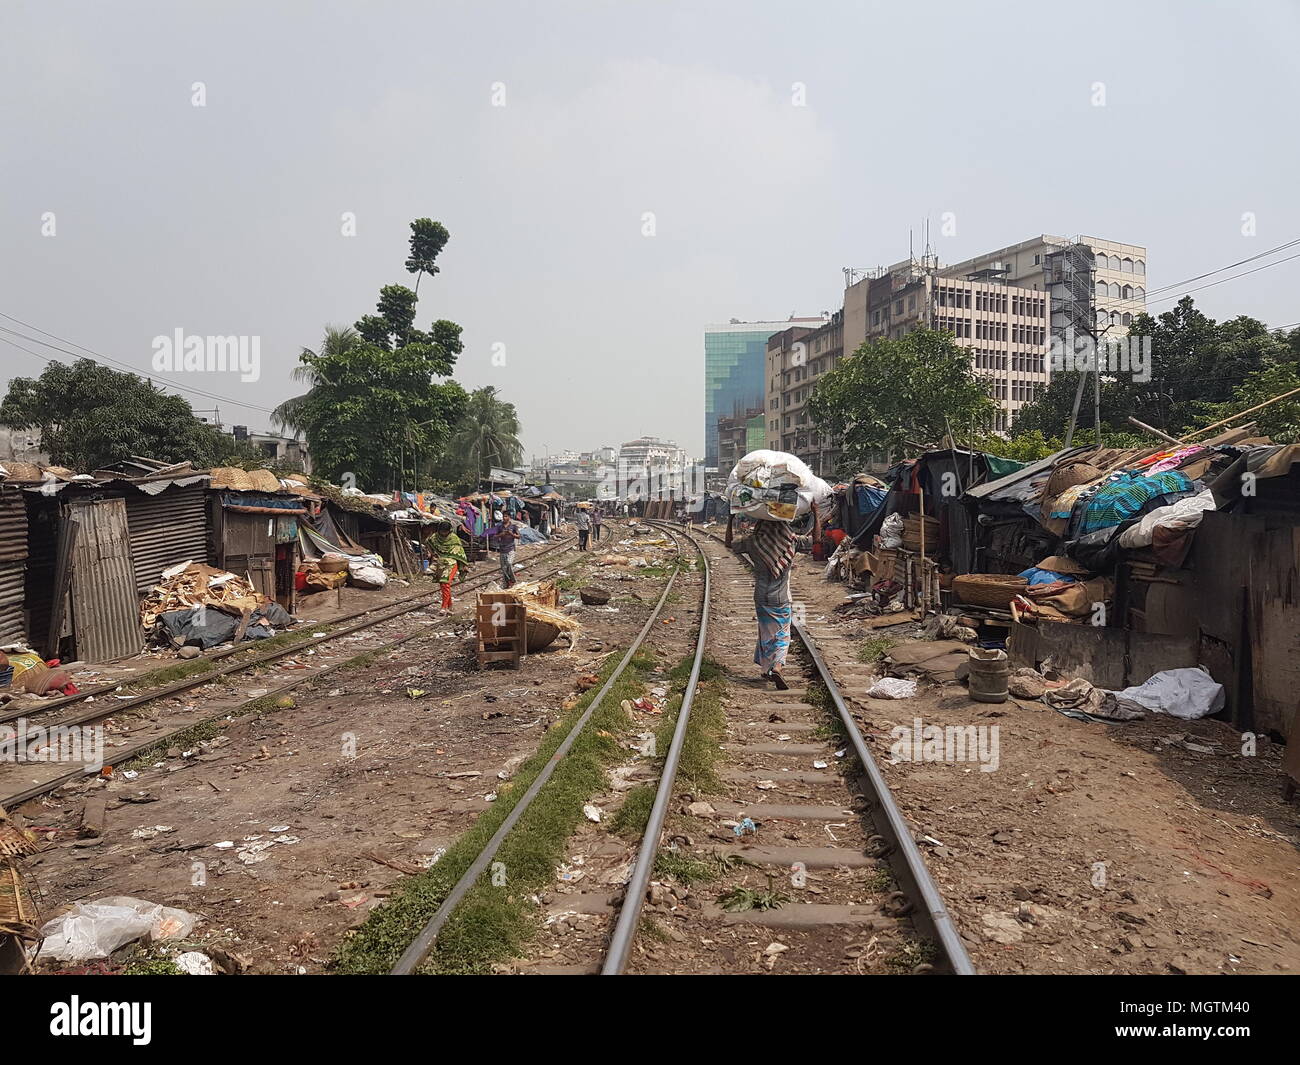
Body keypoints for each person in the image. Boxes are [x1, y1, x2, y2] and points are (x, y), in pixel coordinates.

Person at [726, 513, 815, 690]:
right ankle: (777, 667)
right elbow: (817, 541)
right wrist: (816, 514)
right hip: (780, 598)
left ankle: (766, 668)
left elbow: (729, 543)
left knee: (766, 631)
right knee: (782, 635)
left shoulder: (753, 542)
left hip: (760, 595)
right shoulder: (792, 542)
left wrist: (730, 519)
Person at [424, 519, 467, 611]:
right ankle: (450, 605)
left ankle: (444, 607)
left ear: (449, 531)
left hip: (451, 563)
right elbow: (428, 543)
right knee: (443, 585)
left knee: (445, 582)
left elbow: (460, 552)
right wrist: (431, 554)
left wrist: (463, 565)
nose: (443, 534)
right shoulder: (435, 537)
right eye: (441, 532)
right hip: (440, 563)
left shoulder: (454, 538)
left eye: (445, 532)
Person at [488, 510, 521, 587]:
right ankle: (507, 583)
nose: (504, 518)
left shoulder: (513, 527)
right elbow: (494, 536)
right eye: (503, 516)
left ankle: (512, 580)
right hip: (502, 549)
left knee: (509, 563)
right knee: (503, 568)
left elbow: (519, 536)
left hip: (511, 548)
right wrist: (500, 535)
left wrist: (511, 534)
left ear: (509, 517)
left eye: (506, 516)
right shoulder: (499, 527)